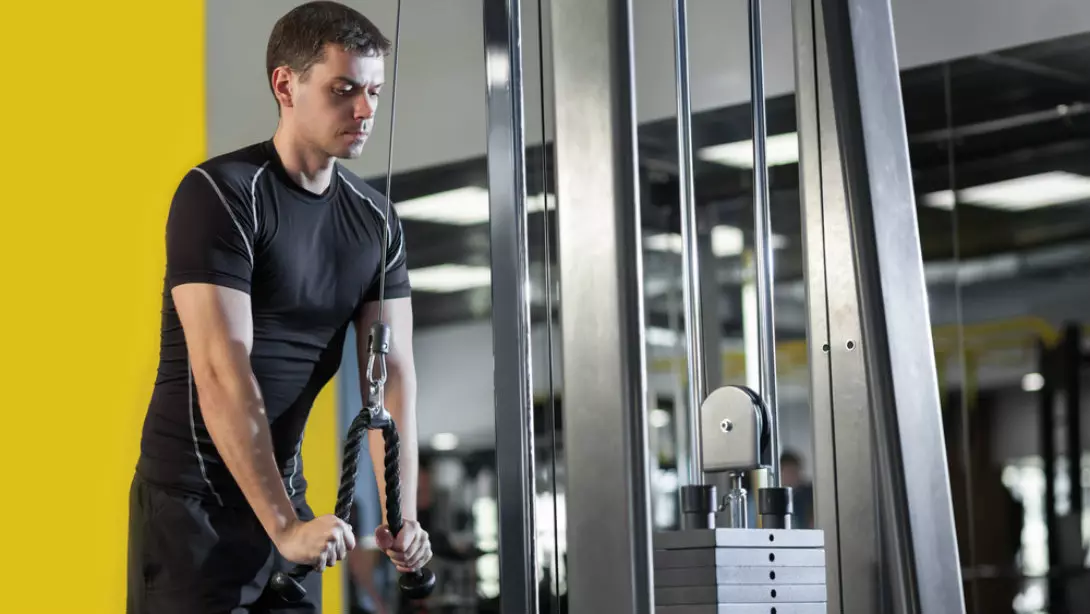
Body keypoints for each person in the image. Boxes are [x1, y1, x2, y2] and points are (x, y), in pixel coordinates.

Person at [126, 3, 432, 612]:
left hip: (284, 497)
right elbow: (220, 369)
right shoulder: (220, 194)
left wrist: (401, 518)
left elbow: (390, 378)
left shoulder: (375, 221)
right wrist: (284, 526)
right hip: (194, 506)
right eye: (344, 90)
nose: (366, 109)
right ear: (285, 85)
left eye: (373, 91)